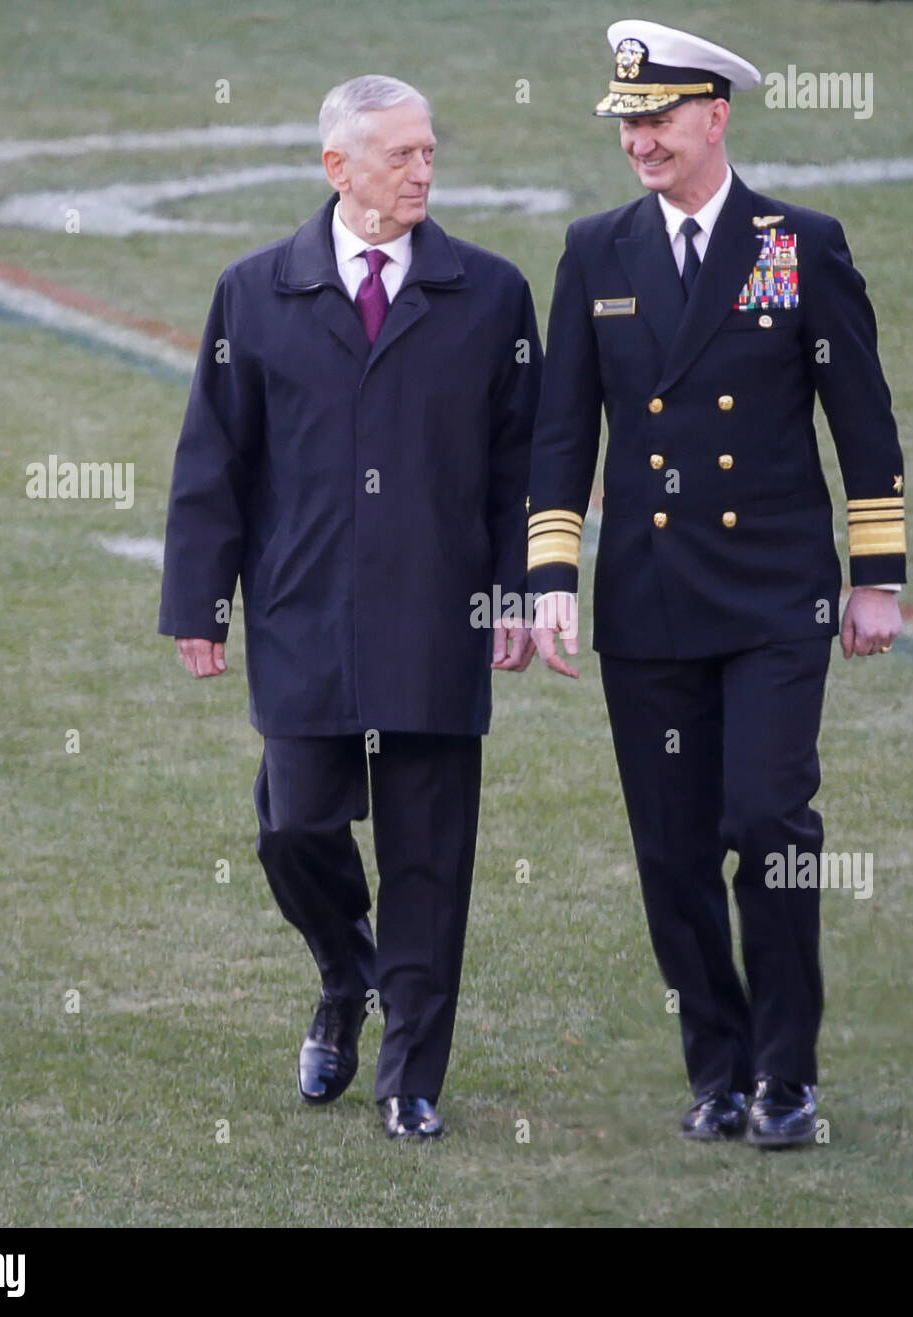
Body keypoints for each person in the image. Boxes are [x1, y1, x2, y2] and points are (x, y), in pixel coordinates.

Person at [528, 20, 905, 1146]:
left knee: (767, 816)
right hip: (647, 601)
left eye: (656, 119)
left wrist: (874, 576)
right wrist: (551, 577)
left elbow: (864, 423)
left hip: (775, 597)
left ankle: (788, 1073)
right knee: (674, 845)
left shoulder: (797, 243)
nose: (639, 140)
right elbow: (560, 437)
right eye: (627, 123)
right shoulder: (594, 251)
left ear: (714, 117)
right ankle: (718, 1068)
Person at [159, 74, 540, 1141]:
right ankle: (346, 976)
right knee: (292, 828)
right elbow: (213, 459)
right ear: (337, 168)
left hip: (437, 617)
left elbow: (526, 463)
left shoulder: (493, 294)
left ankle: (409, 1076)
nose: (423, 170)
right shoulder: (252, 292)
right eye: (399, 155)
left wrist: (520, 585)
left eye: (429, 151)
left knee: (428, 856)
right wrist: (200, 599)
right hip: (301, 617)